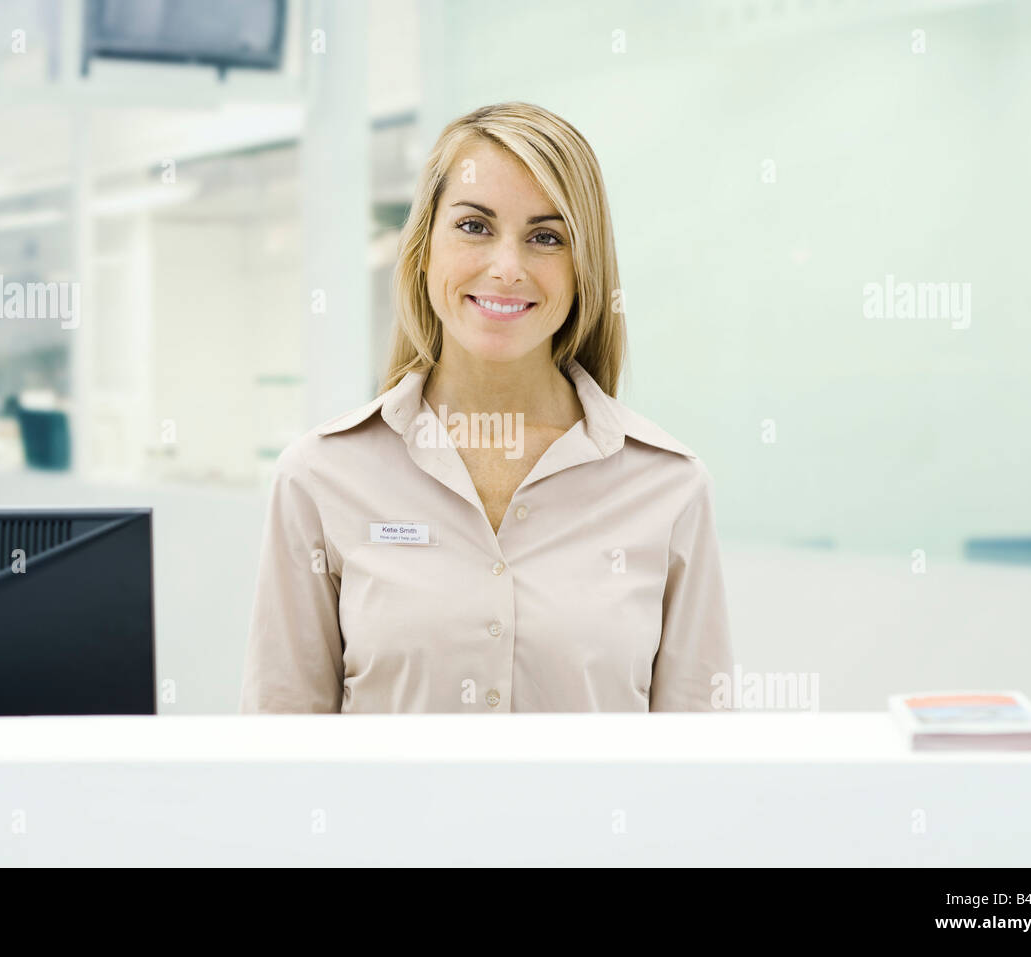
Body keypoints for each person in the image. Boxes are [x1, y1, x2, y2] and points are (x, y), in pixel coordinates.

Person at [240, 101, 734, 713]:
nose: (507, 268)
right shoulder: (320, 477)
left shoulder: (668, 487)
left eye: (546, 238)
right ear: (424, 251)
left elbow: (696, 763)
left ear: (584, 271)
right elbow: (281, 746)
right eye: (474, 226)